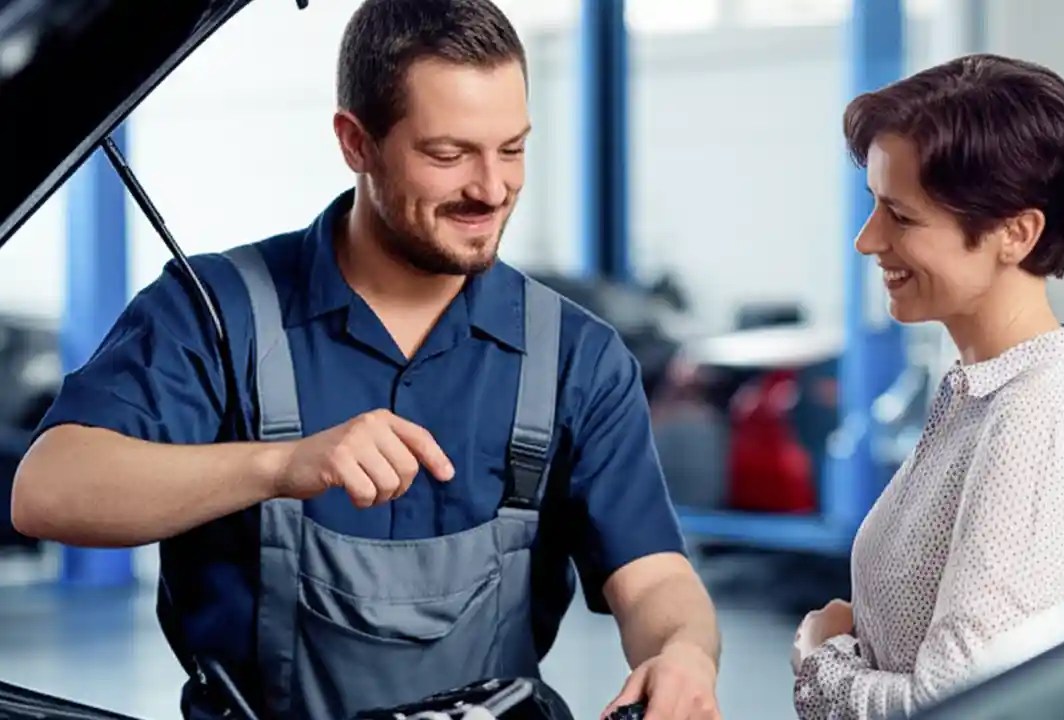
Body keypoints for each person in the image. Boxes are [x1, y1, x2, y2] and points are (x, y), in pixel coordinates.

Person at [10, 2, 721, 719]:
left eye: (512, 148)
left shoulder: (576, 357)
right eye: (448, 154)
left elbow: (655, 577)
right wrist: (279, 466)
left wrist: (683, 653)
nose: (492, 188)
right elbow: (48, 491)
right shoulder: (217, 315)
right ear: (356, 142)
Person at [790, 53, 1064, 719]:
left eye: (901, 215)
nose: (868, 240)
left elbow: (958, 708)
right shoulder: (987, 400)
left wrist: (818, 662)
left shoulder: (1040, 421)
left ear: (1016, 232)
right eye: (873, 205)